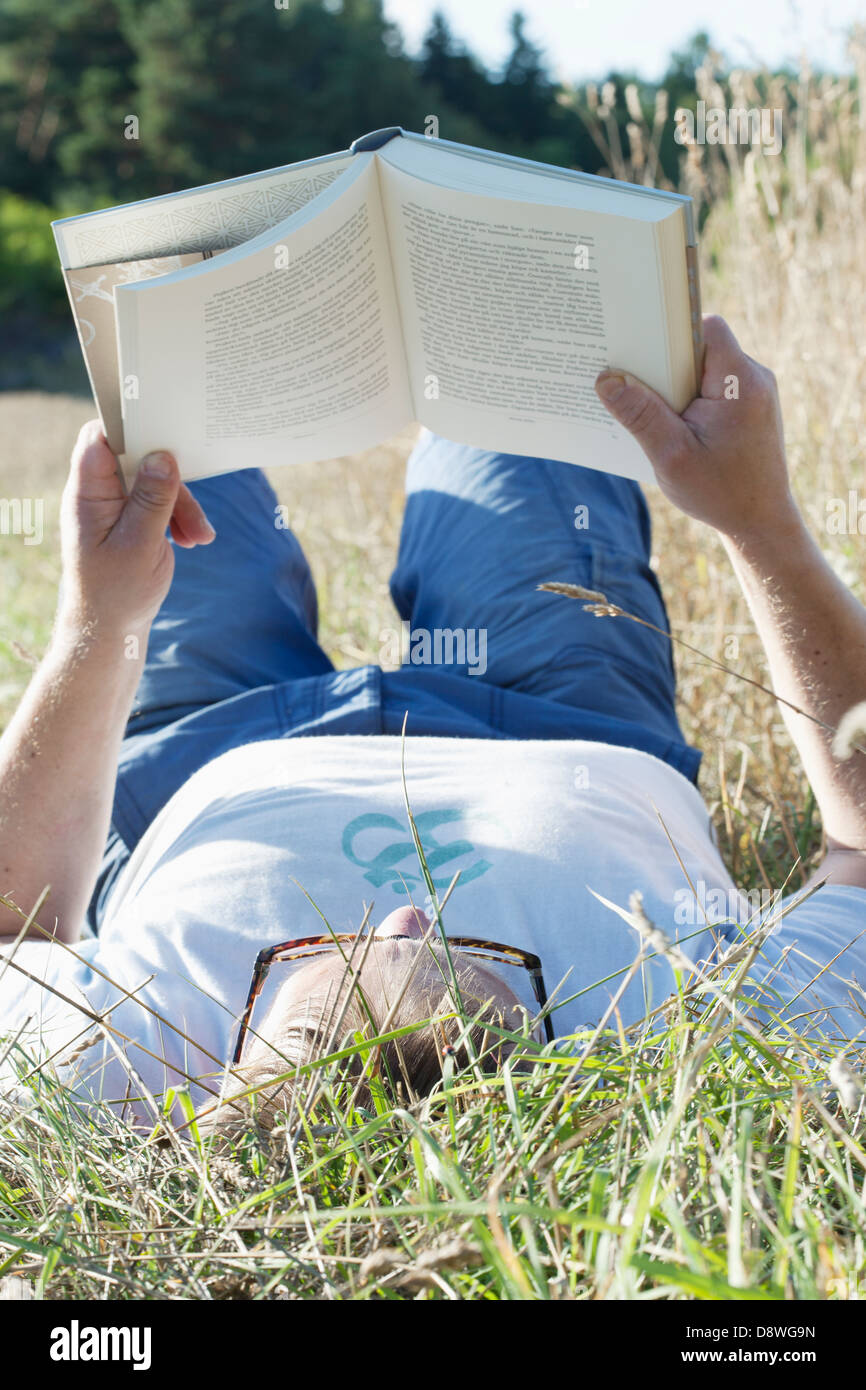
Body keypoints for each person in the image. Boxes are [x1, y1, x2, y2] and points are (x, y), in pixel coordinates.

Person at [1, 315, 865, 1136]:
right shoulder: (686, 1030)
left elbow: (15, 920)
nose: (408, 913)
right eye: (472, 960)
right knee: (524, 382)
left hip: (208, 741)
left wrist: (98, 623)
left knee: (162, 424)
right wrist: (761, 522)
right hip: (563, 721)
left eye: (330, 957)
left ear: (236, 1071)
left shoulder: (104, 1064)